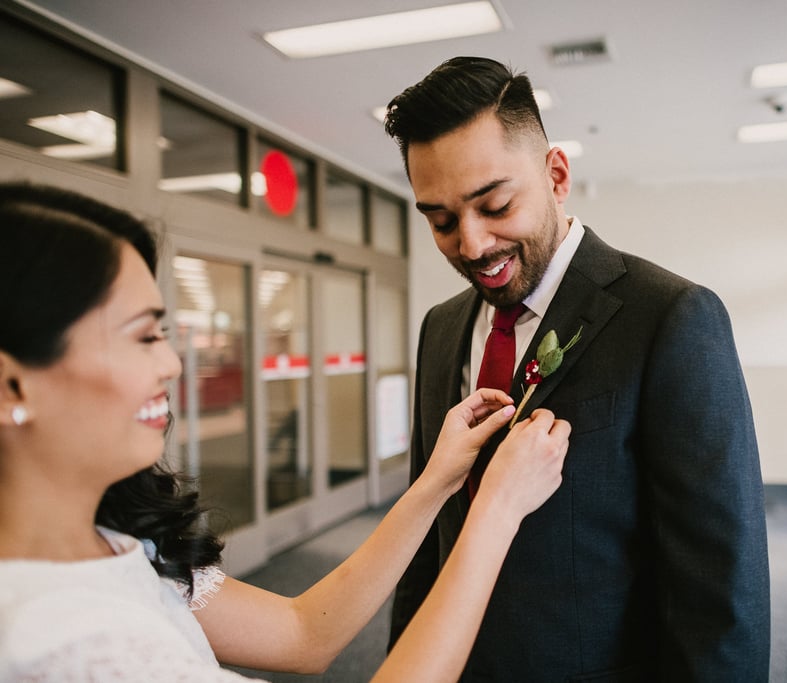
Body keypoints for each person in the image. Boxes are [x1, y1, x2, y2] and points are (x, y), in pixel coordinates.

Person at [0, 181, 570, 682]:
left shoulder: (116, 544)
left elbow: (304, 635)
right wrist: (496, 511)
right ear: (13, 387)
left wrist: (438, 480)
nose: (172, 365)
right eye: (142, 337)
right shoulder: (56, 636)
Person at [384, 56, 771, 681]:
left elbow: (720, 585)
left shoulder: (671, 317)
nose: (473, 245)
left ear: (556, 174)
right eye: (442, 220)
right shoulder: (440, 328)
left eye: (496, 204)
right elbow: (429, 538)